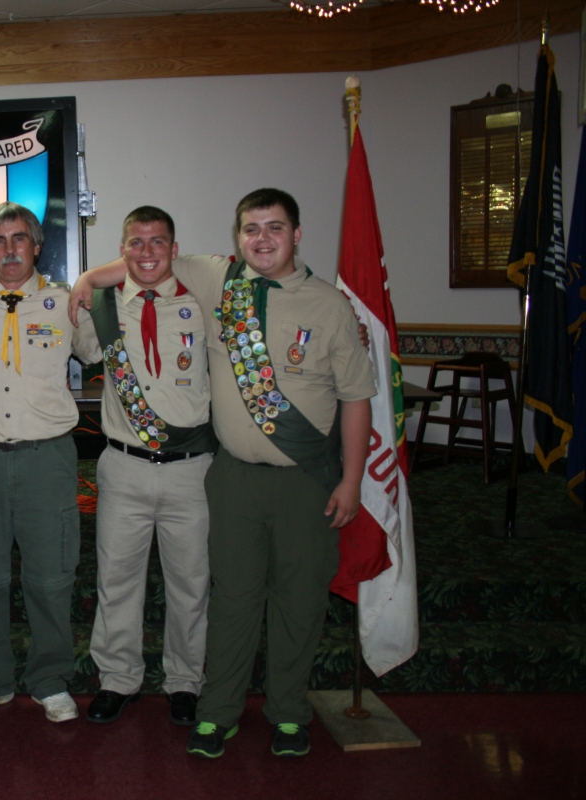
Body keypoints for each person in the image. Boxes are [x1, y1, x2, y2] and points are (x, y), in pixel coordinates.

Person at [70, 189, 374, 757]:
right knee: (219, 594)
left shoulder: (322, 305)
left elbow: (357, 397)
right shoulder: (214, 283)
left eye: (274, 228)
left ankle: (261, 704)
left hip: (276, 474)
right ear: (237, 238)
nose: (262, 239)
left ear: (297, 234)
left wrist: (352, 479)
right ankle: (186, 700)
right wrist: (89, 276)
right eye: (251, 229)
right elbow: (141, 261)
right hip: (211, 474)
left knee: (280, 598)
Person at [0, 201, 97, 723]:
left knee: (51, 575)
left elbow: (103, 353)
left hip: (46, 460)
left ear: (36, 246)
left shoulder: (63, 303)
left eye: (19, 239)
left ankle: (50, 679)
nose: (9, 250)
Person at [74, 206, 216, 726]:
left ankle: (184, 680)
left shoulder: (205, 303)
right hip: (125, 468)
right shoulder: (101, 306)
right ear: (123, 249)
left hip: (190, 470)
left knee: (190, 583)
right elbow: (80, 347)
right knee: (117, 580)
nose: (148, 252)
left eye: (158, 242)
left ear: (175, 249)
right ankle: (118, 678)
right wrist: (89, 279)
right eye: (136, 242)